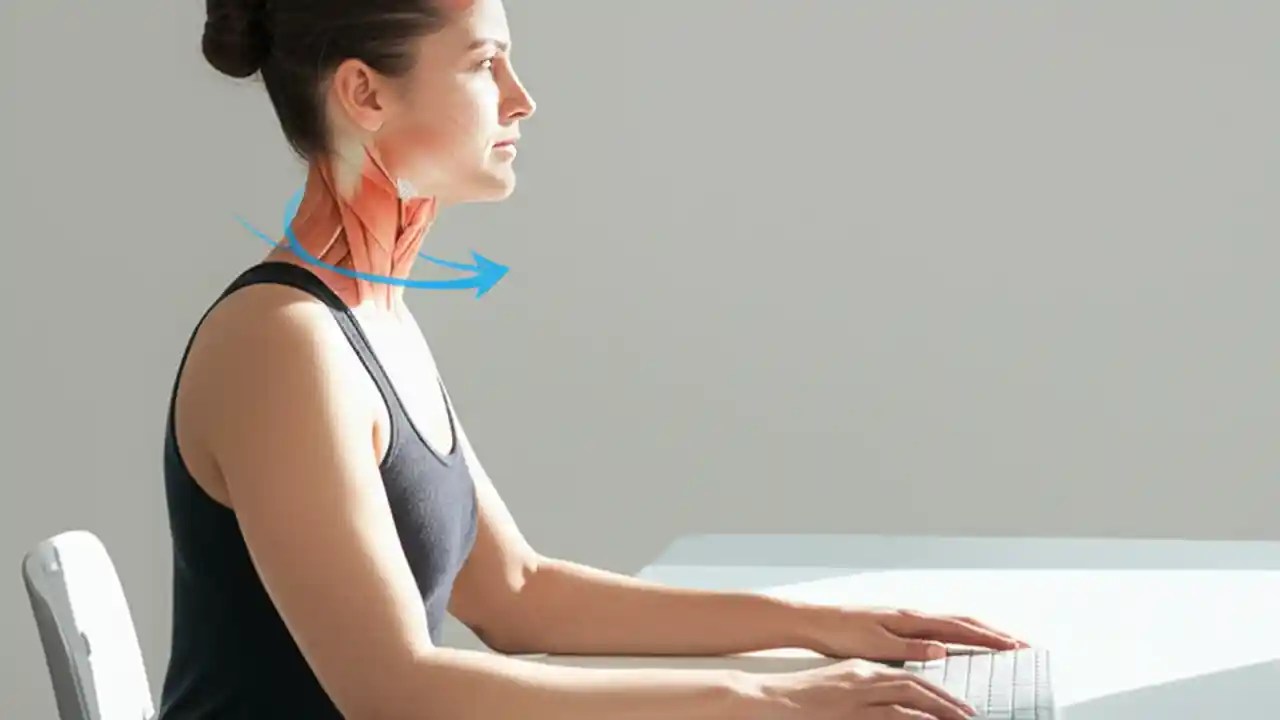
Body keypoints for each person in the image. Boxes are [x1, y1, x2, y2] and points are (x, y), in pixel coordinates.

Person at [161, 0, 1027, 717]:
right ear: (365, 94)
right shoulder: (283, 344)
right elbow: (393, 691)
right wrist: (768, 699)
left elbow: (516, 594)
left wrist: (819, 625)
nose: (521, 98)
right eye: (482, 63)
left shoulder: (371, 319)